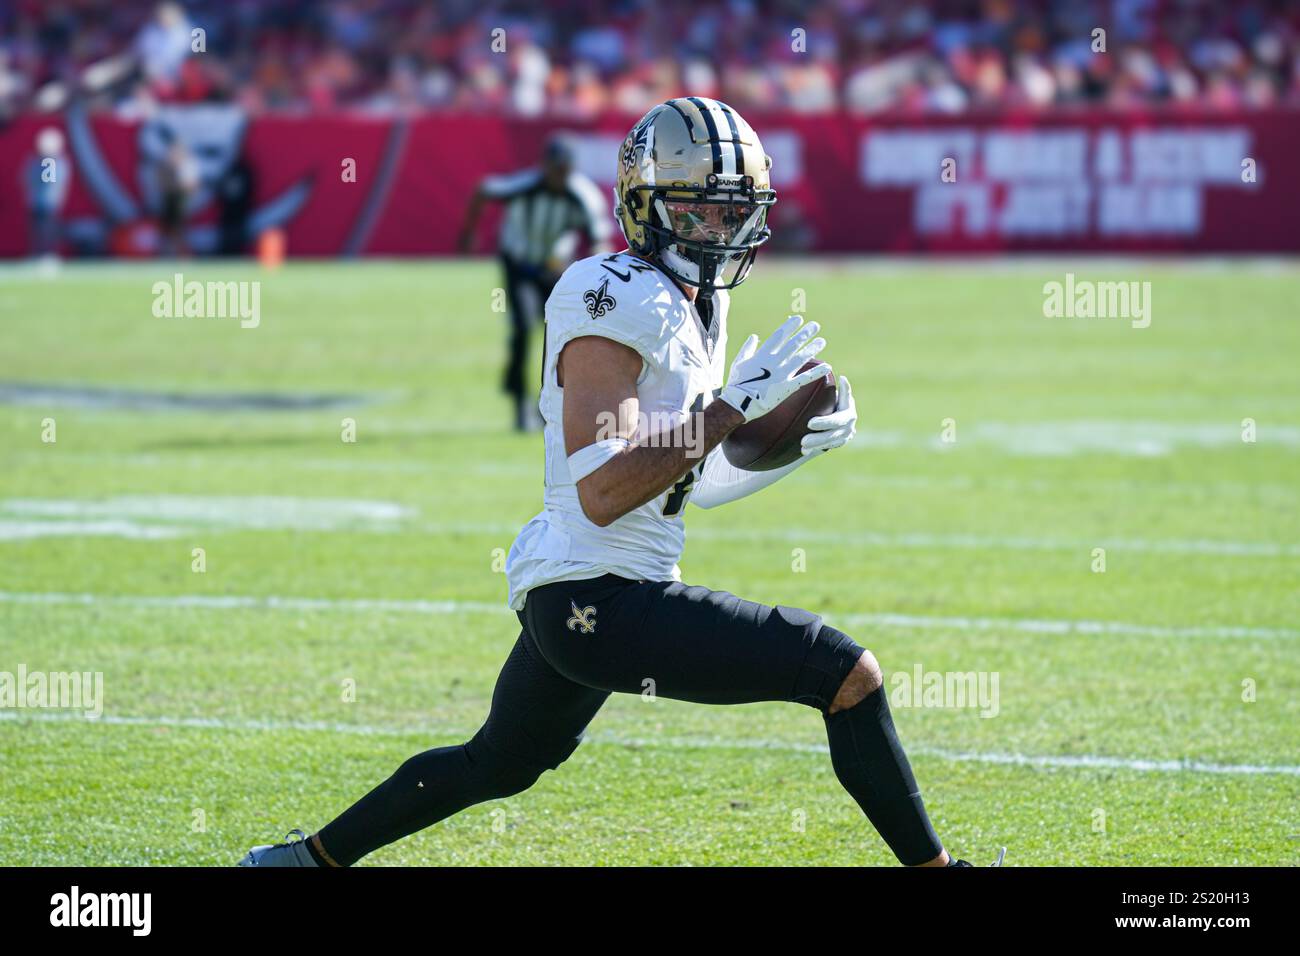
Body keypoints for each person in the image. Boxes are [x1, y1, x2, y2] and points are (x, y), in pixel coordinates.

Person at [240, 97, 1003, 868]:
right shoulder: (609, 291)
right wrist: (732, 405)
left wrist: (788, 443)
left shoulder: (702, 302)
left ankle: (305, 862)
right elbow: (604, 492)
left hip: (594, 594)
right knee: (845, 672)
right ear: (643, 206)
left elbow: (693, 482)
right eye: (697, 208)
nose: (717, 229)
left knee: (495, 763)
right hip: (596, 597)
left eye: (733, 211)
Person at [457, 136, 612, 431]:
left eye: (563, 170)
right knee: (522, 328)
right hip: (517, 261)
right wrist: (468, 231)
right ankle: (518, 399)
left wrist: (595, 275)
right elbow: (484, 190)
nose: (558, 176)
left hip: (552, 268)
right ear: (544, 168)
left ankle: (550, 402)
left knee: (557, 334)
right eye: (555, 169)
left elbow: (598, 240)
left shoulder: (582, 195)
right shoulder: (525, 185)